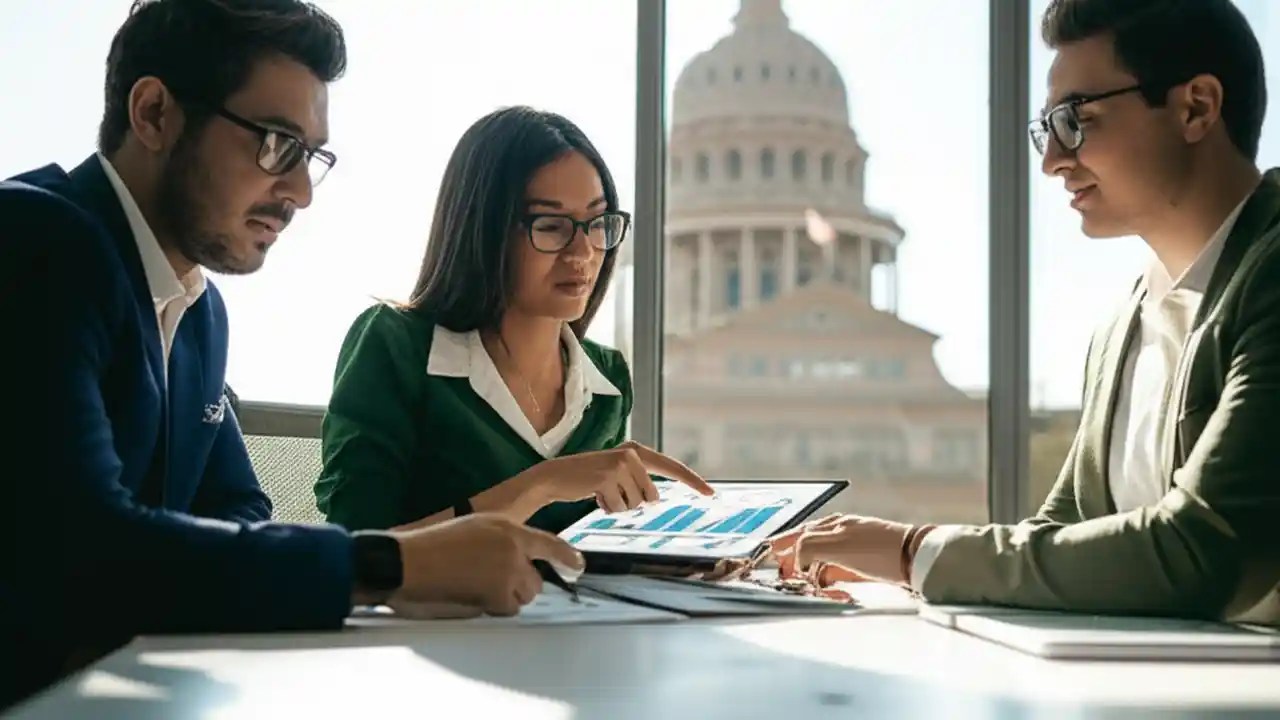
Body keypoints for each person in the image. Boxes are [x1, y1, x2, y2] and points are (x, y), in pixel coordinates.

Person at [0, 1, 582, 708]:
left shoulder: (197, 308)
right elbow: (87, 550)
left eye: (311, 156)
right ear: (154, 113)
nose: (301, 192)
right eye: (276, 143)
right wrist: (395, 564)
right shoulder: (36, 241)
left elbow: (237, 513)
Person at [771, 0, 1280, 622]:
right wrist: (907, 567)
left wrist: (914, 551)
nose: (1051, 161)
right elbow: (1063, 530)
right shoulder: (1122, 323)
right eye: (1046, 130)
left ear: (1195, 107)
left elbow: (1207, 549)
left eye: (1076, 120)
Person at [315, 106, 713, 534]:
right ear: (485, 229)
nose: (582, 254)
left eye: (597, 223)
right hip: (440, 603)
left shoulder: (607, 382)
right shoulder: (396, 346)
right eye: (551, 225)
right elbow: (354, 552)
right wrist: (540, 486)